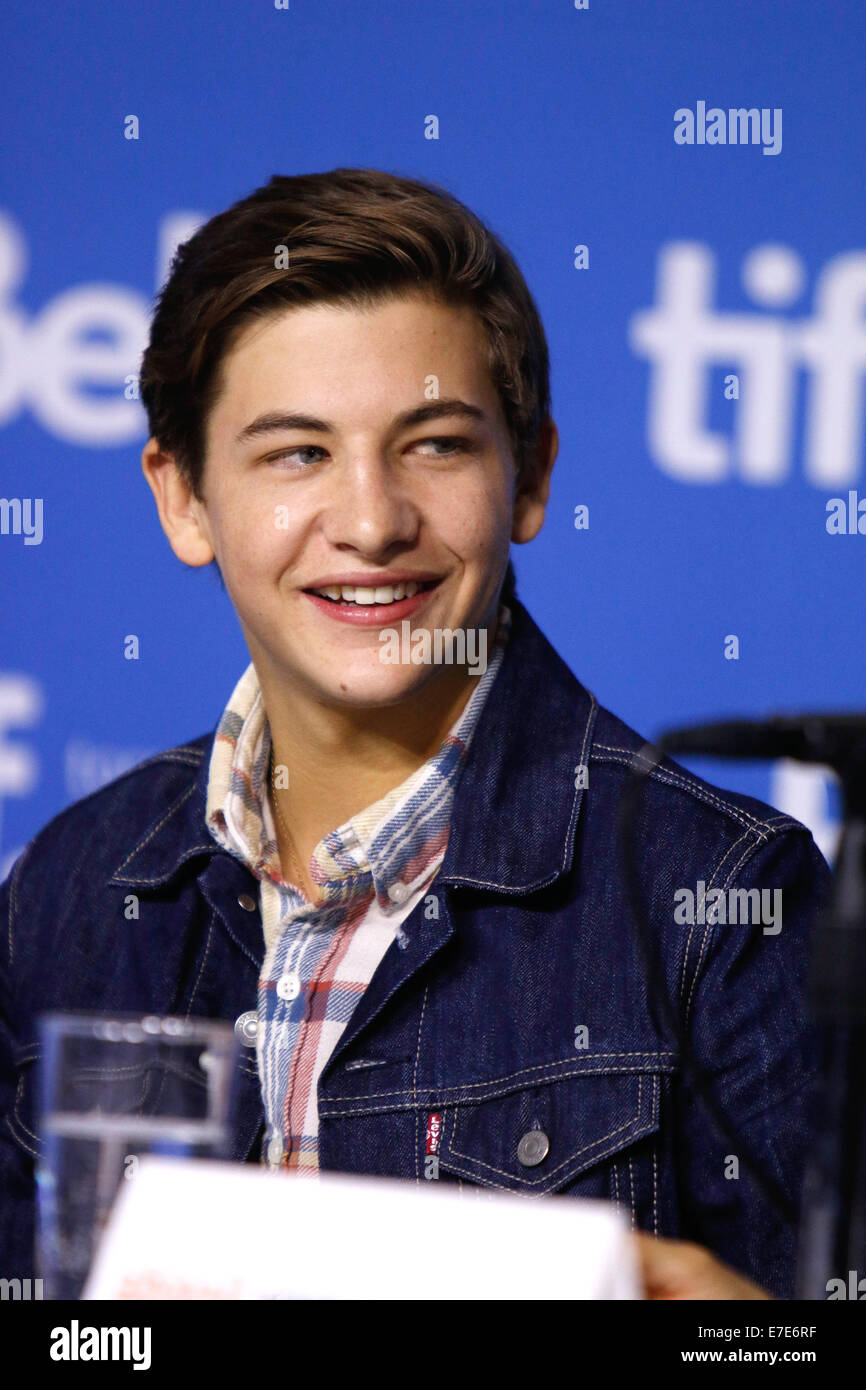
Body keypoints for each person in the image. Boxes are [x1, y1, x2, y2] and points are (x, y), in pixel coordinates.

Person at [0, 168, 830, 1298]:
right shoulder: (71, 886)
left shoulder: (725, 902)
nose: (370, 520)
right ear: (183, 496)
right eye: (295, 452)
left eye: (434, 444)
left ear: (528, 475)